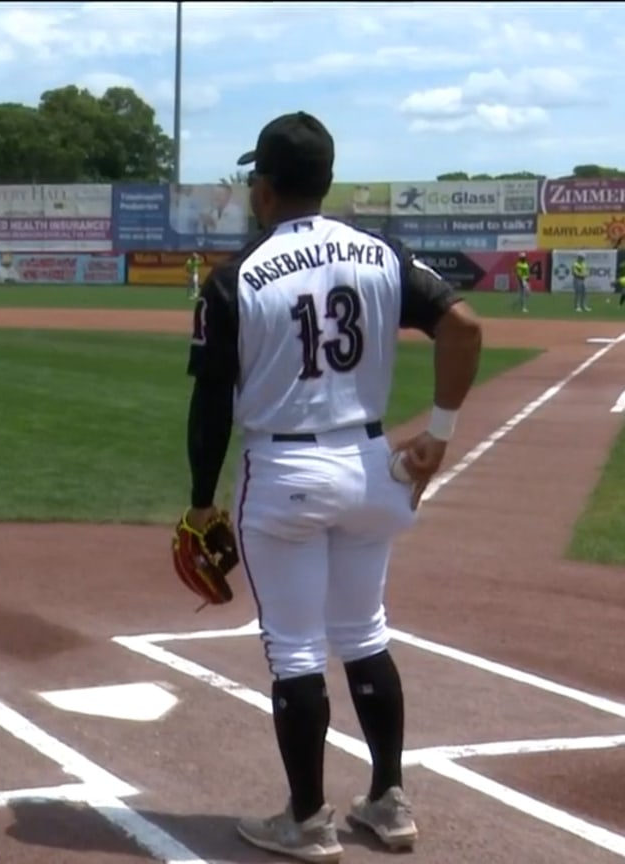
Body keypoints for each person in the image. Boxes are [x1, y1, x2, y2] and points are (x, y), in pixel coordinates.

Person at [185, 111, 484, 863]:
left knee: (294, 650)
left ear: (264, 188)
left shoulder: (237, 278)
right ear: (325, 180)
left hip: (285, 475)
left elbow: (210, 403)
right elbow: (465, 326)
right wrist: (440, 431)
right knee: (364, 633)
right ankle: (388, 798)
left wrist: (198, 500)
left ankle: (308, 820)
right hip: (371, 468)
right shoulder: (381, 253)